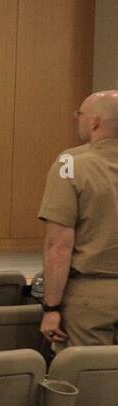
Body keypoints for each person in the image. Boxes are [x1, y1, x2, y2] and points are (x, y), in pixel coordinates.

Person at [38, 89, 118, 348]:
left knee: (87, 381)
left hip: (90, 298)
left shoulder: (71, 164)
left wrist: (51, 307)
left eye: (80, 115)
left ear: (94, 122)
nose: (78, 119)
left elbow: (59, 246)